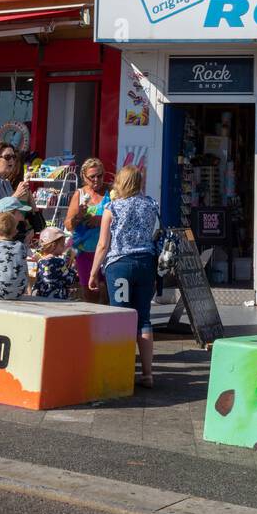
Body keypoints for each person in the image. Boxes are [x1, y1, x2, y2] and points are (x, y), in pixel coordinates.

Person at [88, 166, 160, 388]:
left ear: (120, 182)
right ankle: (147, 373)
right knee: (144, 318)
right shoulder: (151, 205)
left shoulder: (112, 208)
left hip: (119, 266)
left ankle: (123, 370)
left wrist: (93, 273)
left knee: (121, 316)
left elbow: (102, 245)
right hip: (146, 264)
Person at [64, 157, 111, 303]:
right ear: (84, 177)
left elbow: (122, 217)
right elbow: (68, 225)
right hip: (85, 252)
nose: (96, 180)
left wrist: (100, 219)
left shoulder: (111, 192)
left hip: (109, 252)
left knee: (109, 294)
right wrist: (79, 216)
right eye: (92, 177)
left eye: (100, 175)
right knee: (90, 294)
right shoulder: (79, 194)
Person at [33, 227, 78, 300]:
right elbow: (69, 280)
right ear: (54, 245)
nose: (64, 247)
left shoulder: (40, 261)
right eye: (62, 245)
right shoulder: (59, 262)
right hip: (56, 298)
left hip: (41, 297)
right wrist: (73, 269)